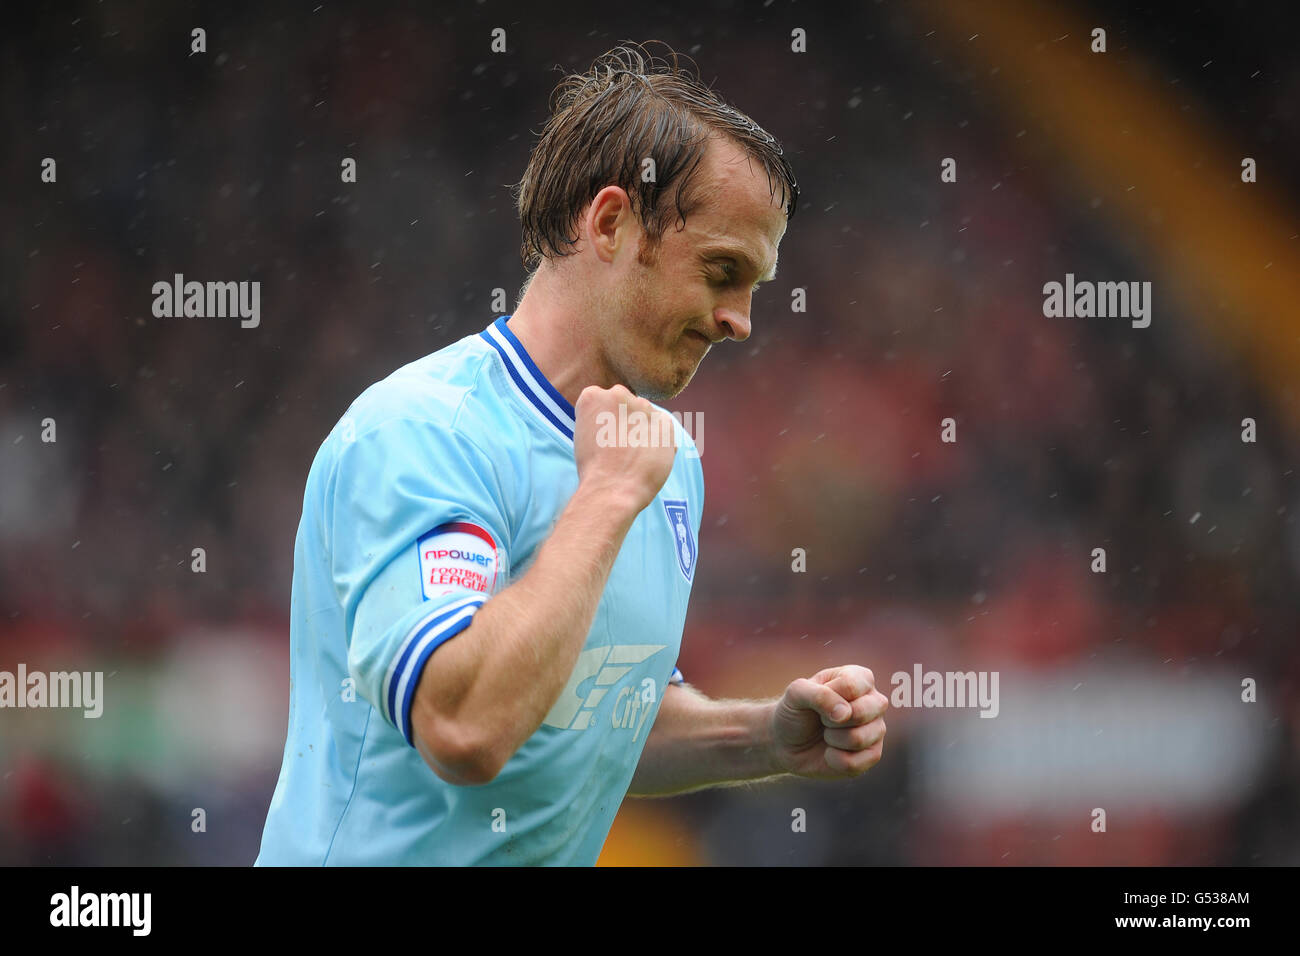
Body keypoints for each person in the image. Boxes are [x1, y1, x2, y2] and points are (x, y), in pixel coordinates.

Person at [255, 40, 887, 866]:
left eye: (754, 288)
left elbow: (593, 716)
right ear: (612, 222)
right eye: (721, 271)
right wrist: (603, 499)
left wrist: (761, 736)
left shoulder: (664, 464)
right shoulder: (423, 434)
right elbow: (463, 724)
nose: (741, 321)